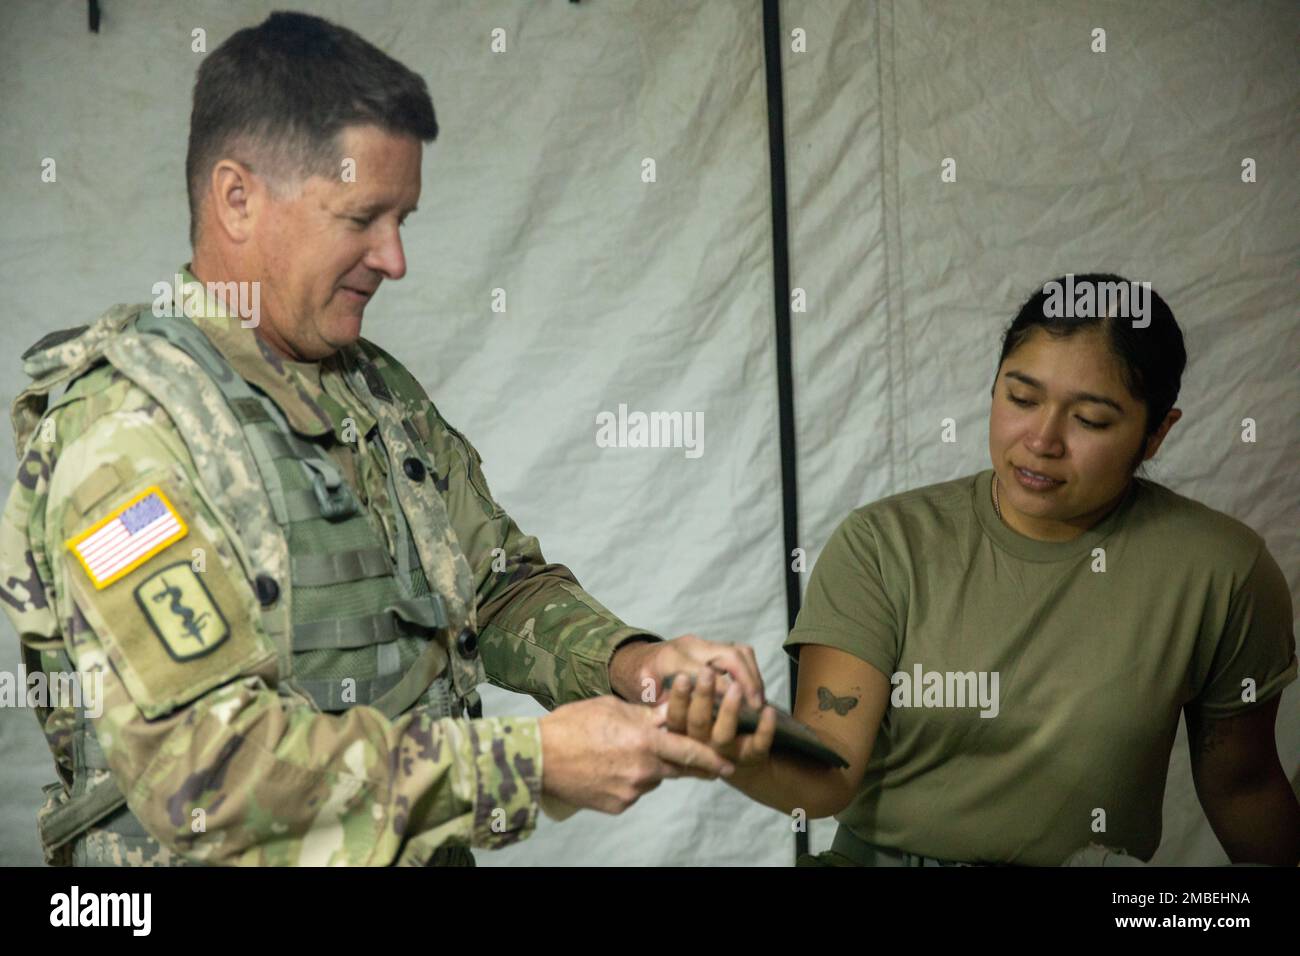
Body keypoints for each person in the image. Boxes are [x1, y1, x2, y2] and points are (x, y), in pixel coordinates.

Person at [0, 11, 766, 867]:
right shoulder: (126, 432)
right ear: (238, 198)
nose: (394, 258)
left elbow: (494, 588)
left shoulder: (371, 387)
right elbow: (206, 775)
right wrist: (534, 763)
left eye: (403, 218)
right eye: (363, 216)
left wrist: (636, 663)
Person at [666, 274, 1298, 866]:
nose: (1042, 440)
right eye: (1021, 397)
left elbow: (1244, 787)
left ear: (1157, 433)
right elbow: (825, 774)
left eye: (1090, 420)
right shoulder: (885, 545)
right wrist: (733, 751)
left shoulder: (1222, 570)